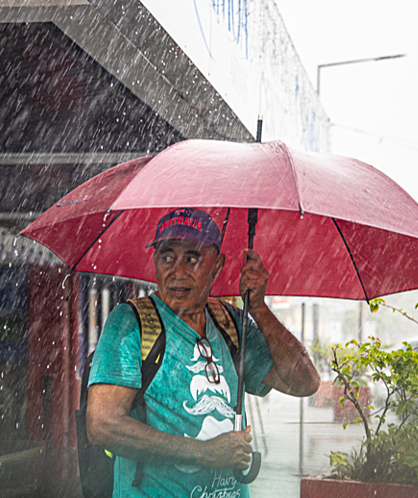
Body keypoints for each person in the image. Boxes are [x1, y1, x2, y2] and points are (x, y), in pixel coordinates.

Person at [86, 207, 321, 497]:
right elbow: (102, 424)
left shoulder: (231, 323)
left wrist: (258, 308)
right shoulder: (130, 323)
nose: (177, 272)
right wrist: (204, 453)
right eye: (167, 257)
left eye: (192, 258)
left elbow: (305, 382)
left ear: (218, 265)